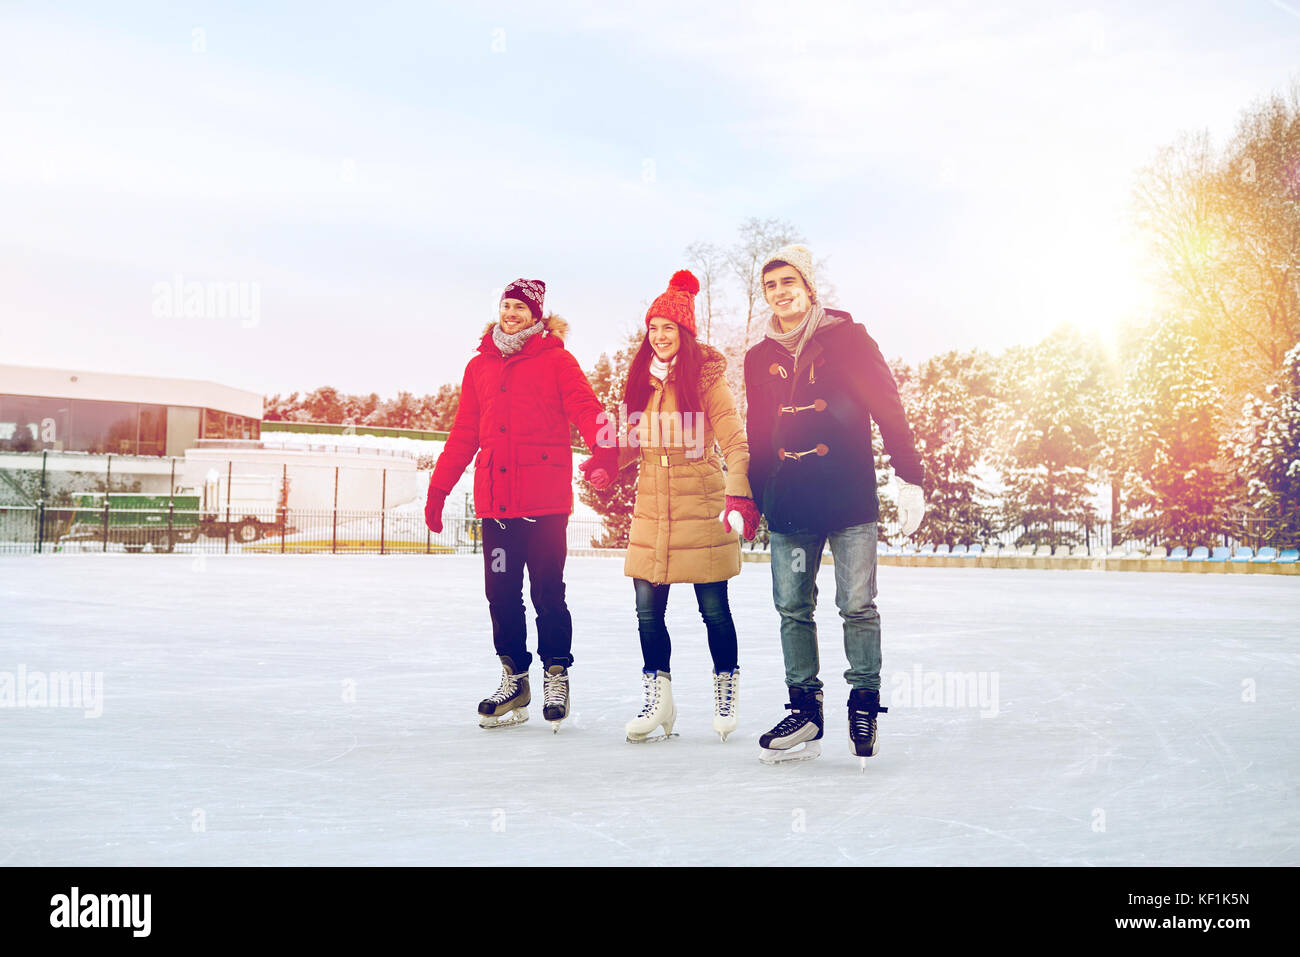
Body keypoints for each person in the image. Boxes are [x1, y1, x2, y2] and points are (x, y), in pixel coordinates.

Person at [742, 245, 926, 768]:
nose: (780, 292)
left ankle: (863, 704)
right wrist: (754, 497)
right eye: (771, 285)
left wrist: (909, 476)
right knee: (792, 607)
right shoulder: (759, 358)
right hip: (790, 500)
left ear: (808, 287)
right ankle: (804, 710)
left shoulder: (849, 339)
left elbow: (888, 405)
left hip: (847, 495)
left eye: (788, 282)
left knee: (856, 605)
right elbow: (757, 432)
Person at [582, 270, 761, 743]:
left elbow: (736, 443)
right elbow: (631, 440)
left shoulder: (705, 379)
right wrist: (608, 464)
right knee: (647, 610)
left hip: (701, 501)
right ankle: (659, 701)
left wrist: (739, 493)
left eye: (669, 328)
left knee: (714, 609)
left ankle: (725, 690)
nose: (660, 337)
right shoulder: (641, 380)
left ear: (685, 332)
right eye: (653, 328)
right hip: (652, 503)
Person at [425, 278, 607, 732]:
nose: (511, 314)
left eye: (520, 308)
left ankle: (556, 674)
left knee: (548, 591)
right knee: (501, 594)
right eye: (506, 306)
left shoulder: (557, 360)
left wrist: (607, 450)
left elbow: (587, 408)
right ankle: (515, 678)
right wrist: (439, 488)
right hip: (497, 506)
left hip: (545, 503)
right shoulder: (479, 367)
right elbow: (464, 432)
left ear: (536, 315)